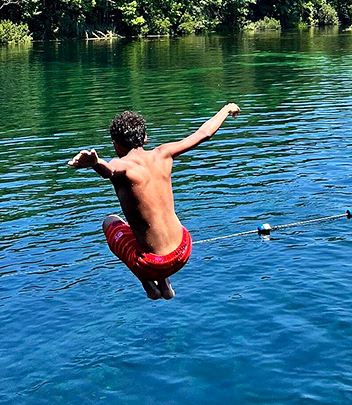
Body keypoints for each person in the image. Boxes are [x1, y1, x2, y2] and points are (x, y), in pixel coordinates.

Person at [68, 103, 241, 300]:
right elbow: (203, 134)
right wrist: (226, 109)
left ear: (115, 144)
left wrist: (95, 163)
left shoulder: (121, 165)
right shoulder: (164, 153)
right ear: (145, 138)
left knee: (110, 221)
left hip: (153, 265)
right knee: (146, 226)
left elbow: (110, 171)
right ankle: (165, 284)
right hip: (184, 249)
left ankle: (150, 286)